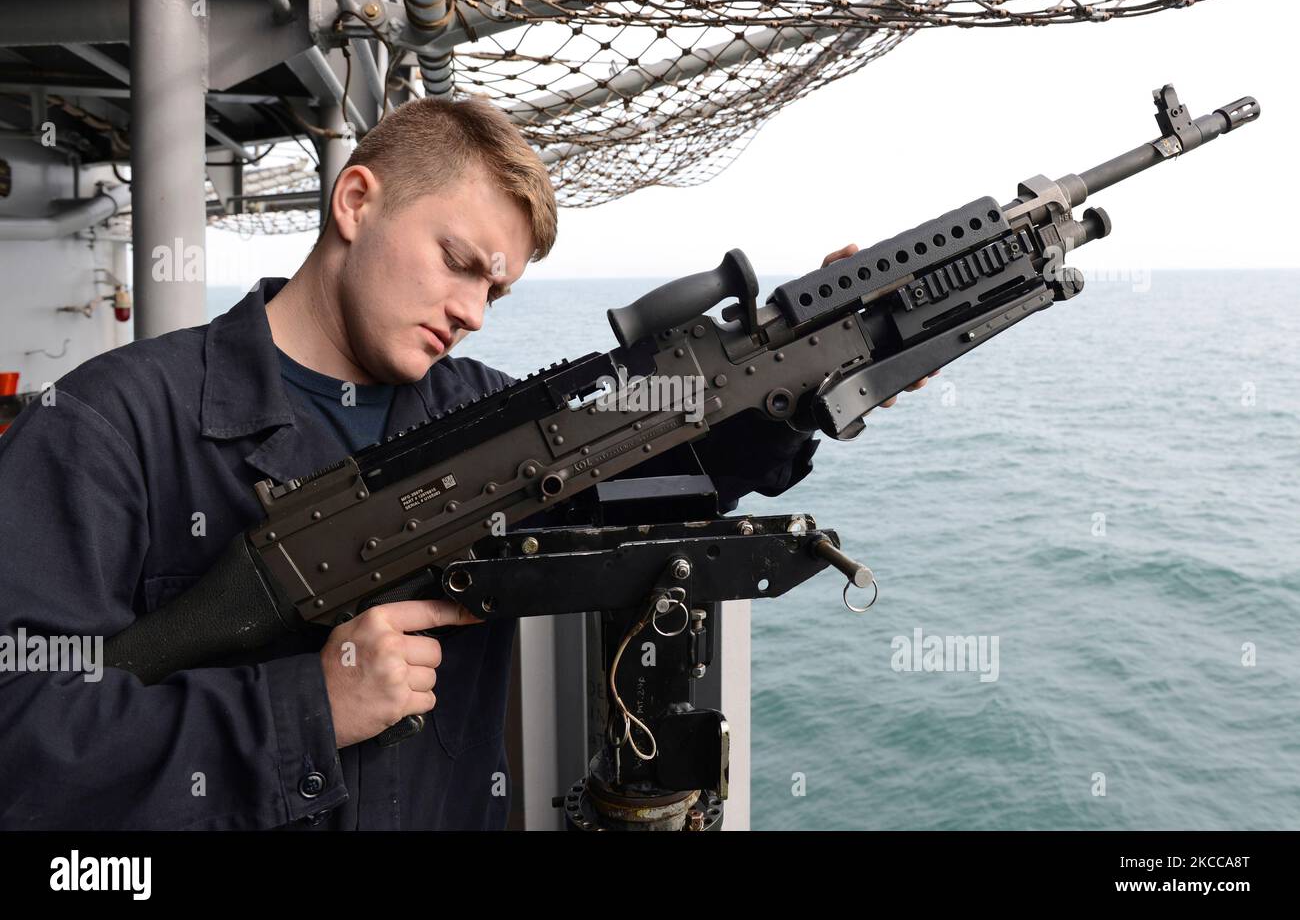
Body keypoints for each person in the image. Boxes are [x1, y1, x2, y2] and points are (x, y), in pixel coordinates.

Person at [0, 95, 932, 830]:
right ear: (356, 201)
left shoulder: (487, 416)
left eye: (497, 287)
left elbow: (652, 477)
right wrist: (305, 709)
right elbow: (22, 740)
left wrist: (801, 387)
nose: (474, 311)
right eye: (458, 261)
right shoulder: (108, 424)